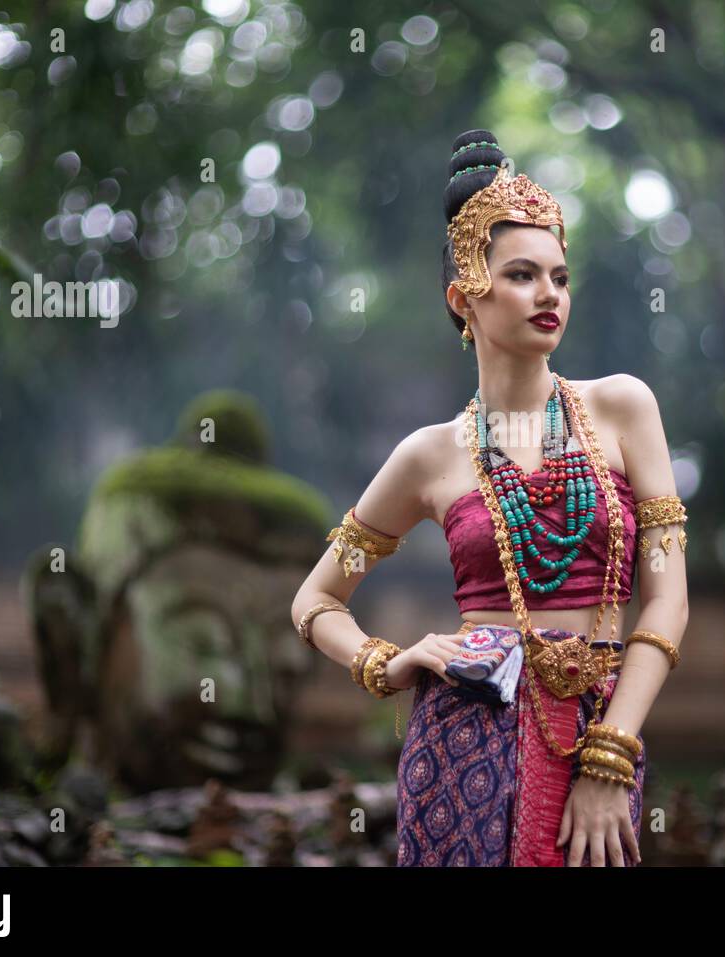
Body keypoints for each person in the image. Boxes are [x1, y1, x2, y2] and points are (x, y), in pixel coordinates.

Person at [291, 130, 689, 866]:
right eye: (522, 275)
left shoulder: (625, 409)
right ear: (463, 297)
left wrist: (612, 753)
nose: (549, 295)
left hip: (598, 729)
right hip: (461, 741)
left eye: (560, 277)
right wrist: (389, 661)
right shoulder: (428, 455)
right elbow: (315, 599)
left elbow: (668, 602)